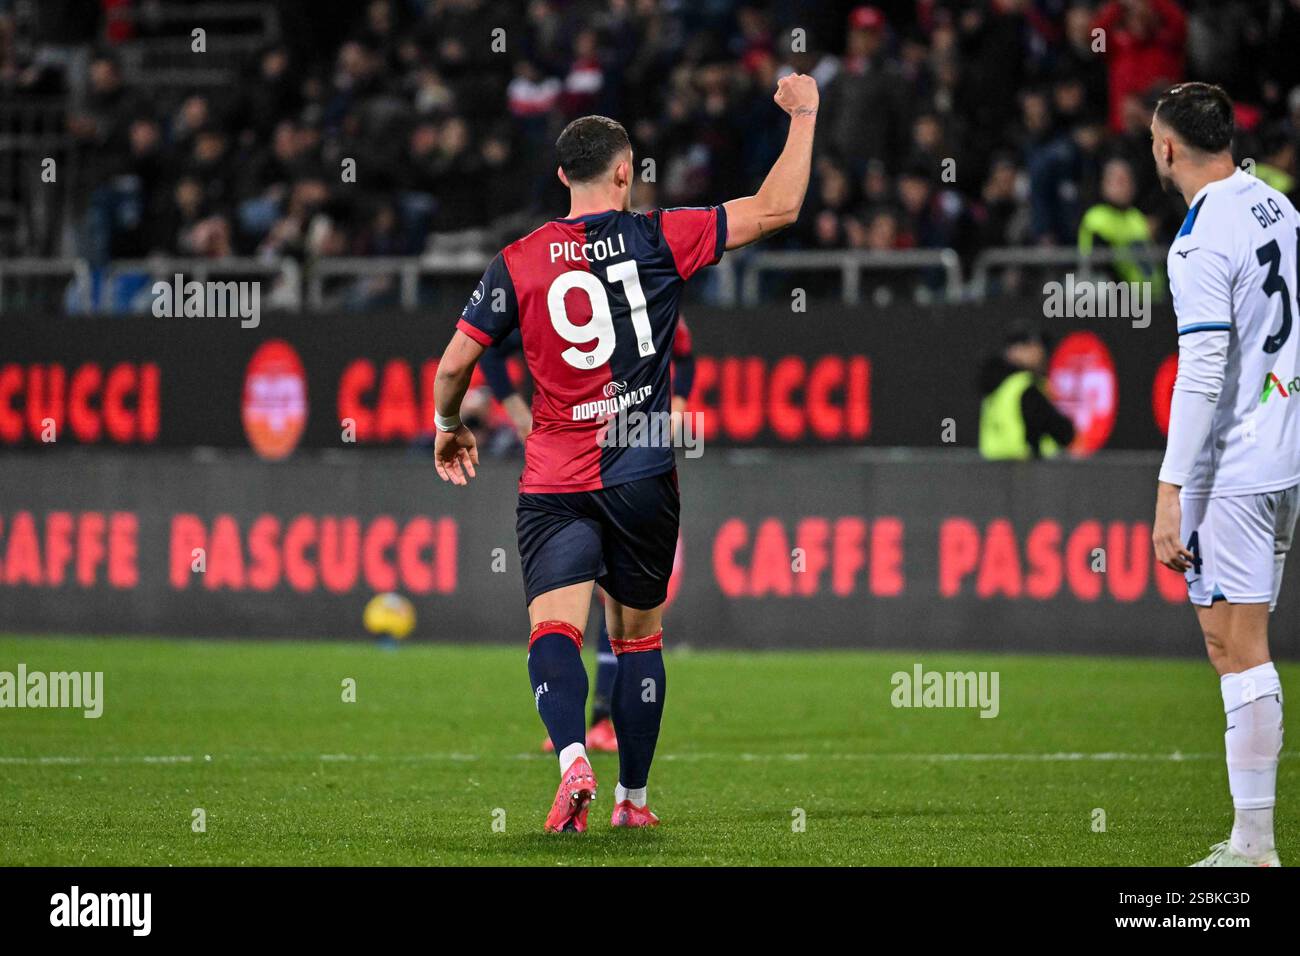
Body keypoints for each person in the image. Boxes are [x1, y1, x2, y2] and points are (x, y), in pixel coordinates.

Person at [432, 74, 818, 832]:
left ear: (559, 177)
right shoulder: (660, 234)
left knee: (553, 630)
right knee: (638, 638)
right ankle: (632, 803)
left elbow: (452, 367)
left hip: (555, 473)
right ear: (624, 173)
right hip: (641, 463)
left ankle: (573, 756)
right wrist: (803, 114)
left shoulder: (518, 259)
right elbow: (779, 207)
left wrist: (450, 422)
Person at [1149, 81, 1298, 867]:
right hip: (1281, 454)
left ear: (1168, 147)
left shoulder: (1201, 241)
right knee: (1225, 641)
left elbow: (1202, 372)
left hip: (1237, 464)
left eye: (1153, 138)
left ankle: (1256, 846)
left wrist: (1170, 491)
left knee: (1243, 647)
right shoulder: (1277, 206)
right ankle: (1251, 837)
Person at [479, 318, 697, 755]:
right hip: (594, 472)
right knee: (610, 615)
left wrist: (677, 409)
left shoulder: (623, 284)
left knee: (587, 613)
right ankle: (618, 773)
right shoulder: (619, 282)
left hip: (603, 469)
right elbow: (491, 351)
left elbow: (477, 350)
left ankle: (582, 737)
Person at [977, 325, 1076, 460]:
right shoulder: (1024, 387)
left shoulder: (998, 385)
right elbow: (1062, 432)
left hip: (995, 471)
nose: (1041, 353)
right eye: (1033, 347)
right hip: (1025, 473)